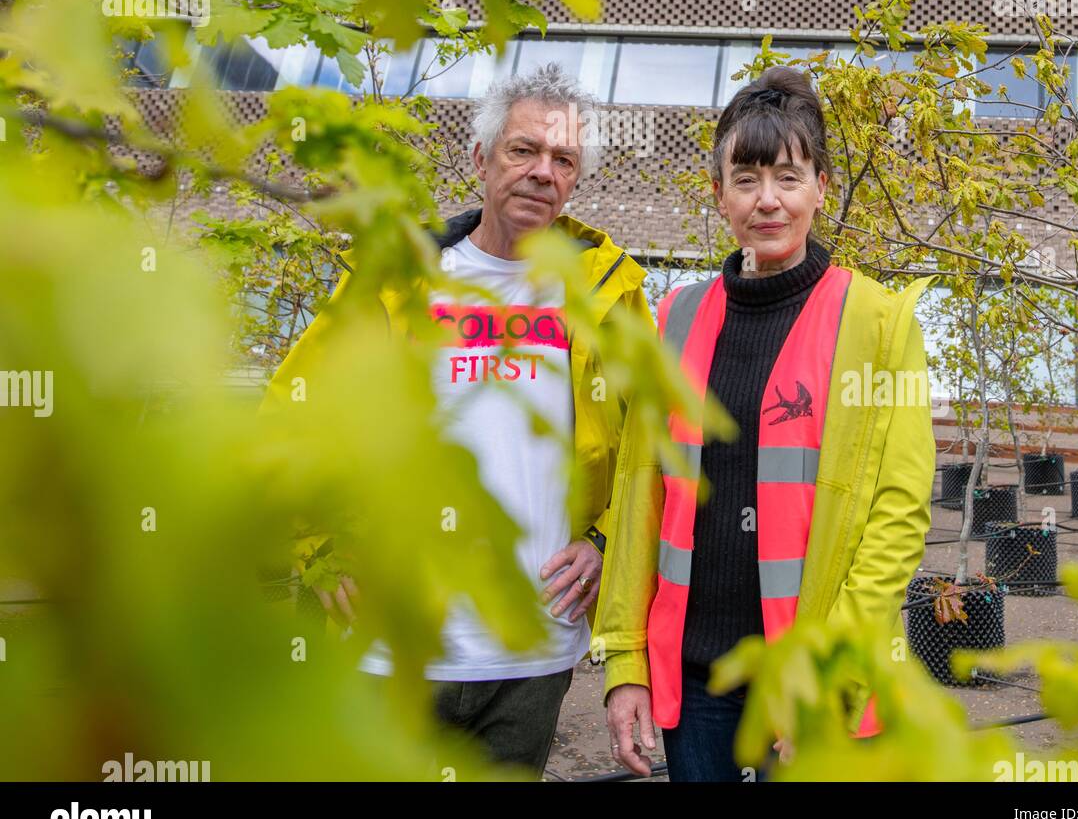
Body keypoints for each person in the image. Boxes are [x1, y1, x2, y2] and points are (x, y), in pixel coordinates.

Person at [261, 63, 656, 775]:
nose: (542, 172)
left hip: (533, 648)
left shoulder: (606, 290)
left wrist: (603, 541)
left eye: (562, 159)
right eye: (523, 150)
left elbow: (648, 448)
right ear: (480, 158)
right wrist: (316, 543)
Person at [593, 65, 936, 782]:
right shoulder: (675, 317)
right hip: (696, 679)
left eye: (788, 176)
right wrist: (625, 658)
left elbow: (897, 514)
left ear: (821, 188)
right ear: (718, 194)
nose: (768, 200)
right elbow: (638, 498)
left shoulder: (877, 323)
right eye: (746, 178)